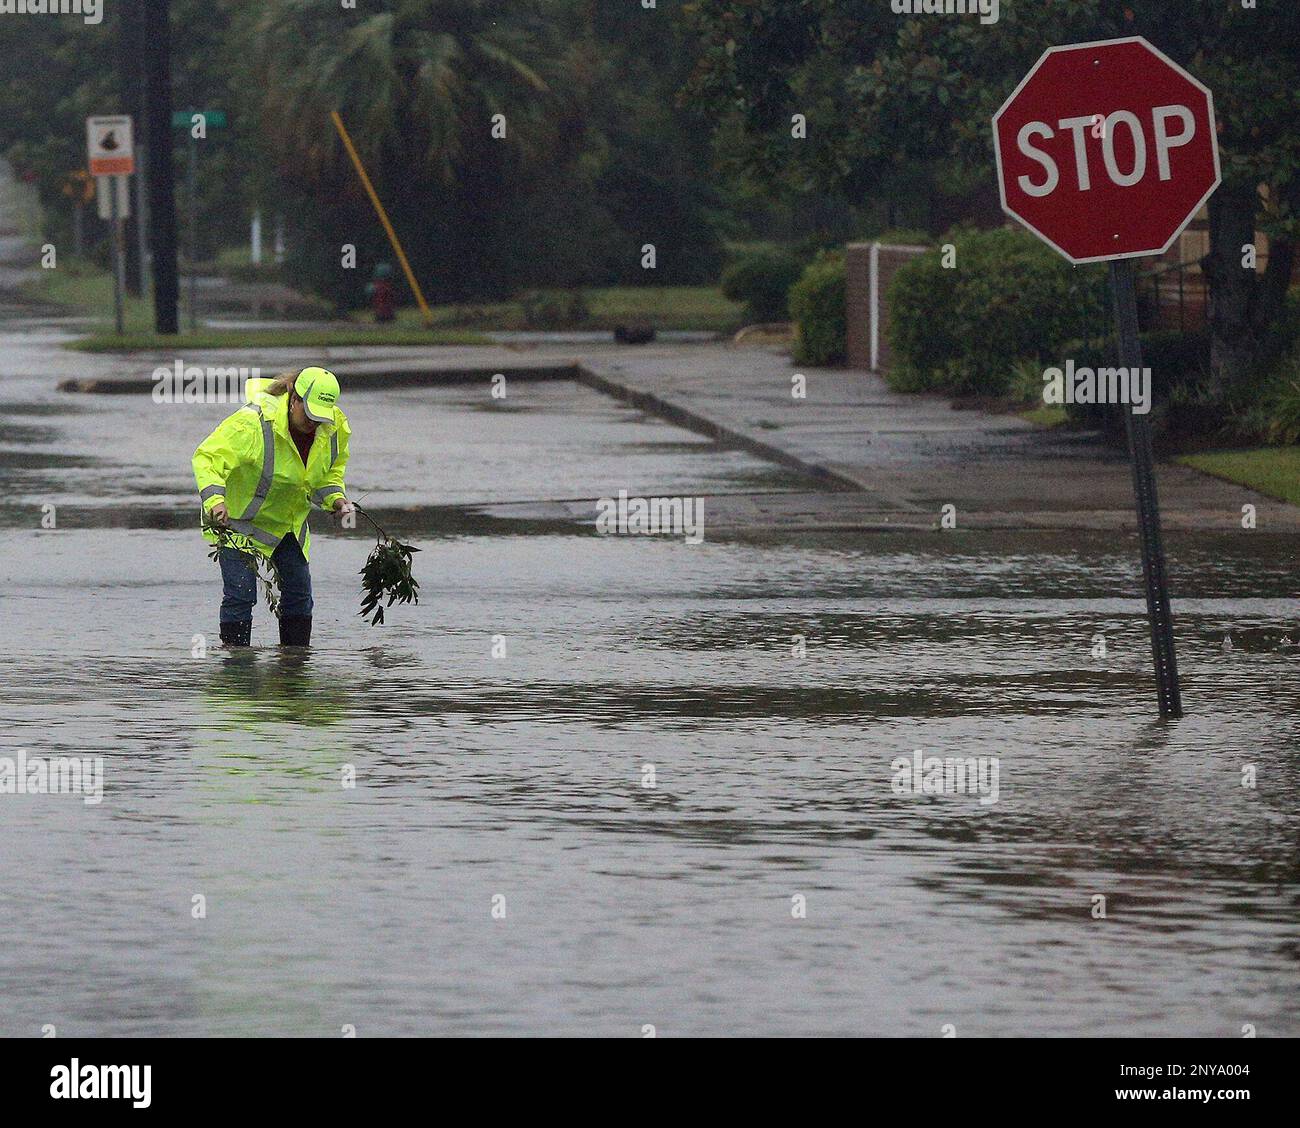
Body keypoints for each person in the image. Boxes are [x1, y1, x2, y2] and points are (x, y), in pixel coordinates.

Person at [193, 367, 355, 648]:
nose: (314, 423)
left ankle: (294, 665)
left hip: (286, 525)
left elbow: (327, 475)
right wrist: (216, 501)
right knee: (241, 596)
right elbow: (207, 459)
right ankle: (237, 666)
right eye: (309, 415)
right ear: (294, 399)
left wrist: (336, 500)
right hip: (238, 524)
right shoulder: (253, 423)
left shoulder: (333, 428)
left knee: (299, 595)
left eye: (320, 417)